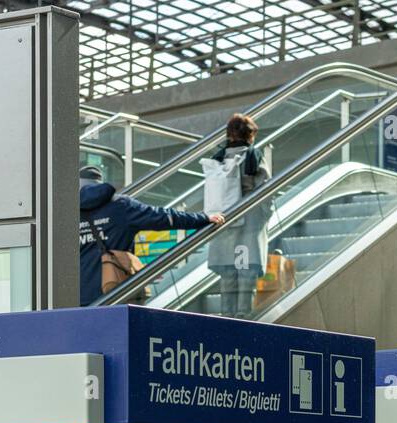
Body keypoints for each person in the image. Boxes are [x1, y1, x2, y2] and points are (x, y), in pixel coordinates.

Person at [79, 167, 222, 307]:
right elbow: (164, 217)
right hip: (115, 291)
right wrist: (203, 218)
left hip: (74, 295)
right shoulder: (121, 206)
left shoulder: (64, 214)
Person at [206, 113, 271, 318]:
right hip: (249, 217)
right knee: (247, 270)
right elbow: (265, 190)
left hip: (224, 217)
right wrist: (266, 215)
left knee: (227, 271)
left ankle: (226, 316)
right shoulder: (254, 155)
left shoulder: (218, 158)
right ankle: (244, 315)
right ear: (250, 135)